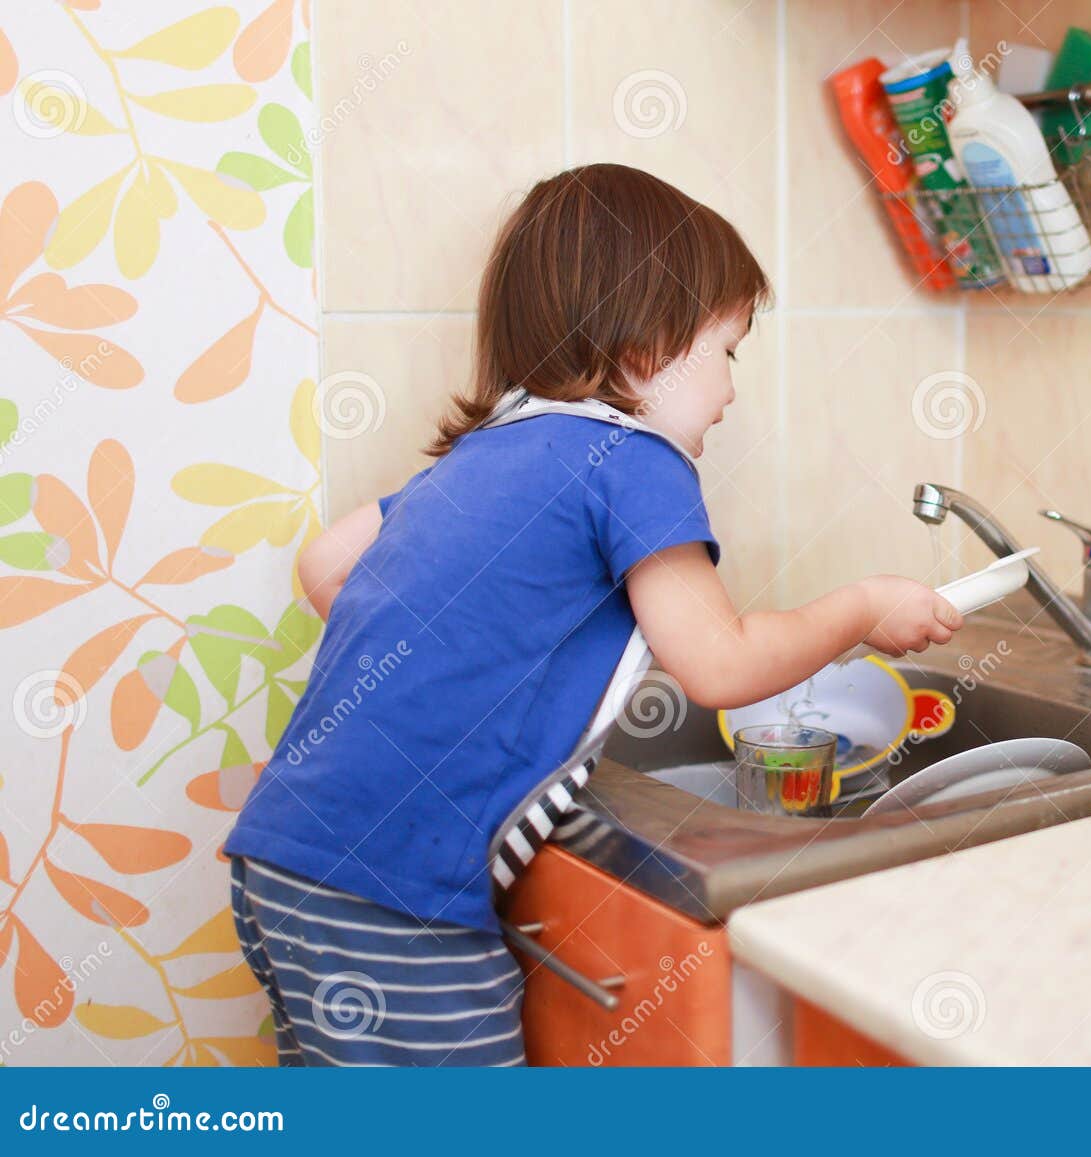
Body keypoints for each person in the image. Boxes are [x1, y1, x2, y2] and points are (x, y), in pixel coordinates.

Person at [224, 163, 964, 1066]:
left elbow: (325, 564)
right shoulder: (634, 459)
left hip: (280, 859)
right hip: (393, 896)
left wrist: (469, 654)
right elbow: (720, 666)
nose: (731, 392)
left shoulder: (489, 446)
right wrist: (860, 607)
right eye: (726, 350)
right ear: (648, 346)